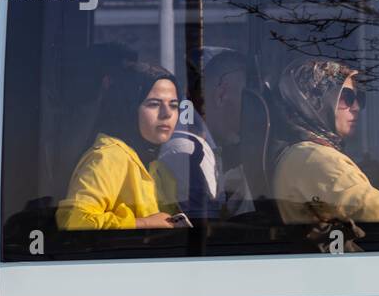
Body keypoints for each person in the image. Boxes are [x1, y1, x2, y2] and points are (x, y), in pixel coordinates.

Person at [271, 58, 379, 225]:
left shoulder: (302, 152)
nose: (356, 107)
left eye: (359, 98)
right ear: (314, 99)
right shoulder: (315, 158)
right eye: (347, 97)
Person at [57, 63, 184, 230]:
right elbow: (74, 222)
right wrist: (144, 224)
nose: (167, 113)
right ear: (128, 107)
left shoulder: (156, 166)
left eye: (173, 105)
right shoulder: (108, 156)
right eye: (154, 104)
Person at [157, 47, 252, 220]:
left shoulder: (200, 147)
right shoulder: (188, 152)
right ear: (221, 95)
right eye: (247, 99)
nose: (252, 110)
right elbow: (204, 237)